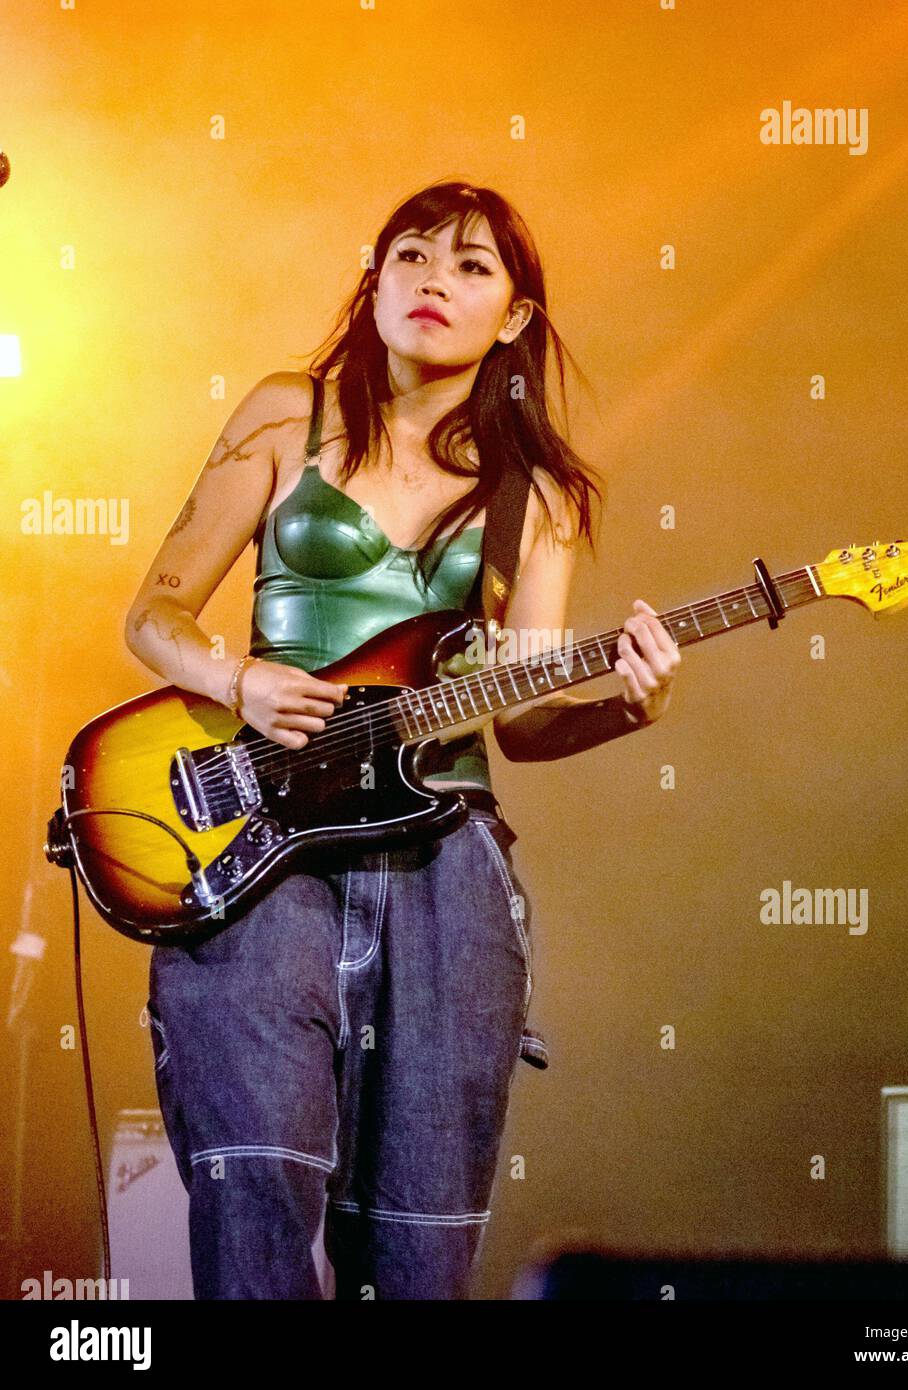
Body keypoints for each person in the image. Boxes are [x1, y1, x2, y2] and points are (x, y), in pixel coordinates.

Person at [124, 179, 682, 1300]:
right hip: (260, 845)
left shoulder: (541, 493)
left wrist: (629, 701)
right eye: (412, 254)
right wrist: (239, 676)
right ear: (373, 279)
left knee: (419, 1251)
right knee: (255, 1202)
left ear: (515, 316)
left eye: (473, 266)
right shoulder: (291, 410)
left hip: (442, 863)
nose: (434, 279)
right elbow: (152, 615)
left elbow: (519, 719)